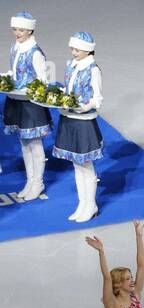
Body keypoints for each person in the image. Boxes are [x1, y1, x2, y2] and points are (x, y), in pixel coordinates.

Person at [52, 31, 102, 222]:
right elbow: (69, 89)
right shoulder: (71, 66)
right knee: (76, 164)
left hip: (83, 122)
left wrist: (83, 107)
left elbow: (97, 99)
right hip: (69, 118)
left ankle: (91, 204)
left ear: (87, 50)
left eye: (77, 49)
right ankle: (82, 203)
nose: (73, 52)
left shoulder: (93, 69)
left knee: (85, 164)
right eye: (72, 48)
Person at [4, 11, 50, 200]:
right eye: (15, 29)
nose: (17, 33)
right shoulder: (15, 47)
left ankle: (38, 182)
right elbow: (14, 72)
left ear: (30, 30)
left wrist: (28, 90)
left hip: (31, 105)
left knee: (35, 143)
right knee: (24, 143)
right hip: (15, 101)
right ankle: (30, 180)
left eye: (21, 29)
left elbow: (43, 81)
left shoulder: (35, 52)